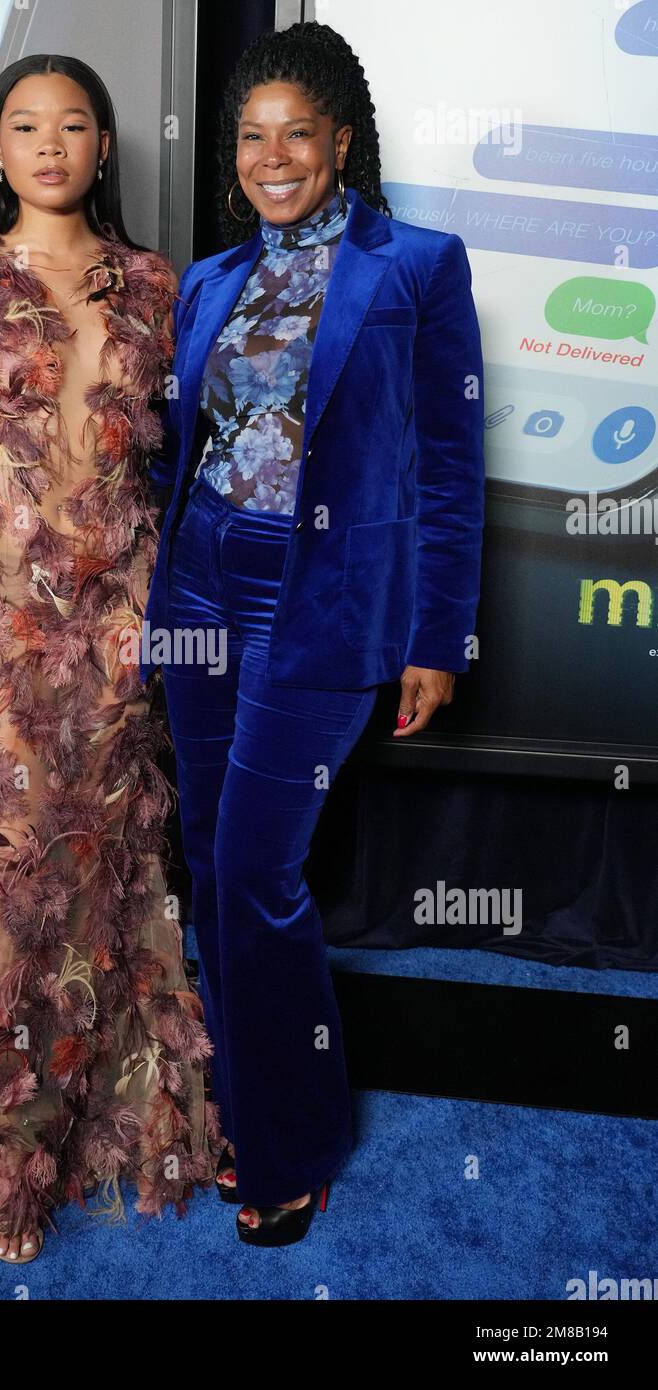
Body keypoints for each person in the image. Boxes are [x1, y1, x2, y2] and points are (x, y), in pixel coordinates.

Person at [0, 53, 222, 1267]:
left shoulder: (153, 286)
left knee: (111, 877)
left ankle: (97, 1114)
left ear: (106, 147)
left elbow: (191, 474)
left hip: (126, 639)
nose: (52, 143)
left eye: (75, 124)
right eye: (26, 125)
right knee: (9, 897)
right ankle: (11, 1149)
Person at [138, 22, 485, 1247]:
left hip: (322, 592)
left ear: (342, 139)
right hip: (198, 588)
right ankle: (240, 1096)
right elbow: (172, 449)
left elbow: (448, 466)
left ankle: (292, 1140)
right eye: (251, 135)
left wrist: (439, 635)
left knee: (253, 869)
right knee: (204, 850)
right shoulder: (209, 282)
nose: (272, 154)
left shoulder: (417, 268)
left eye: (298, 131)